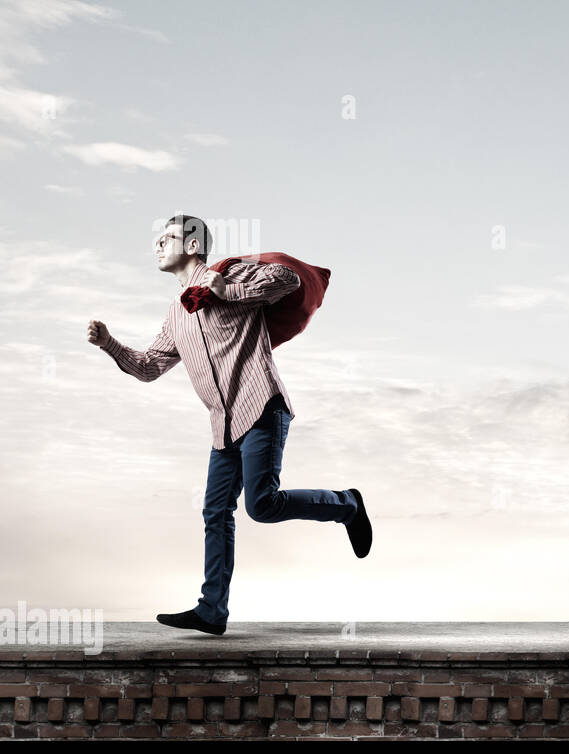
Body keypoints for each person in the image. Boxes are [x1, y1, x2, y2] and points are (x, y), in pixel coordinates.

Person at [86, 214, 371, 636]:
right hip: (224, 427)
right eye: (158, 238)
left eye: (169, 237)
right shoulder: (176, 315)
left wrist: (228, 290)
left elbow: (286, 280)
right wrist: (109, 343)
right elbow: (148, 367)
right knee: (215, 511)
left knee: (262, 505)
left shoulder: (230, 273)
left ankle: (347, 504)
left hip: (261, 407)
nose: (158, 244)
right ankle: (212, 610)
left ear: (195, 245)